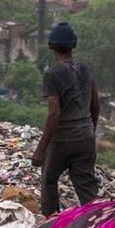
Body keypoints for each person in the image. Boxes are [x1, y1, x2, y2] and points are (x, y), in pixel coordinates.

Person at [31, 22, 100, 216]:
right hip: (86, 136)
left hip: (63, 140)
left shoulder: (52, 74)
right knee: (87, 185)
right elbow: (96, 106)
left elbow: (54, 113)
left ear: (51, 46)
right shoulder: (87, 68)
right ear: (74, 44)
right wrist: (89, 133)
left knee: (49, 180)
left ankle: (52, 225)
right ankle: (99, 224)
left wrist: (41, 149)